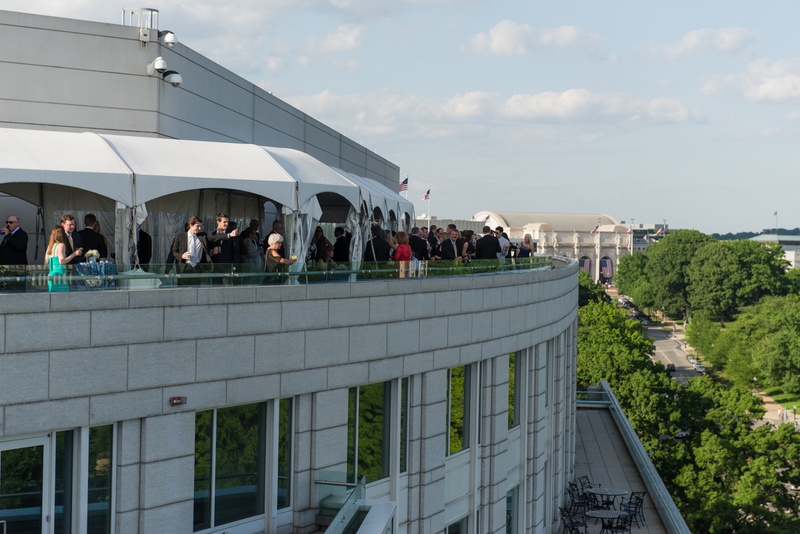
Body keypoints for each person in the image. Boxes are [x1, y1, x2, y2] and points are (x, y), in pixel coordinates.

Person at [171, 216, 237, 285]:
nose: (200, 228)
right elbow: (174, 252)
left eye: (200, 226)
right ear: (191, 225)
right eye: (197, 226)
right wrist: (182, 256)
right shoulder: (180, 237)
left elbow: (215, 237)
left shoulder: (202, 236)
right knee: (183, 289)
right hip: (184, 268)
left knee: (196, 289)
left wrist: (229, 235)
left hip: (197, 267)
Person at [45, 225, 81, 292]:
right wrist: (74, 254)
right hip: (60, 274)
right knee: (62, 298)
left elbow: (46, 262)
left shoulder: (50, 246)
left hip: (51, 274)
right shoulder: (61, 245)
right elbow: (62, 261)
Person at [209, 213, 240, 284]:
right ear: (218, 222)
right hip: (215, 267)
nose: (226, 224)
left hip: (228, 267)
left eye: (227, 222)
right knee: (215, 288)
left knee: (227, 288)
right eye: (224, 222)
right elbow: (207, 249)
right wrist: (212, 252)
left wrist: (234, 266)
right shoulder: (212, 234)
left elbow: (236, 252)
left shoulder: (232, 234)